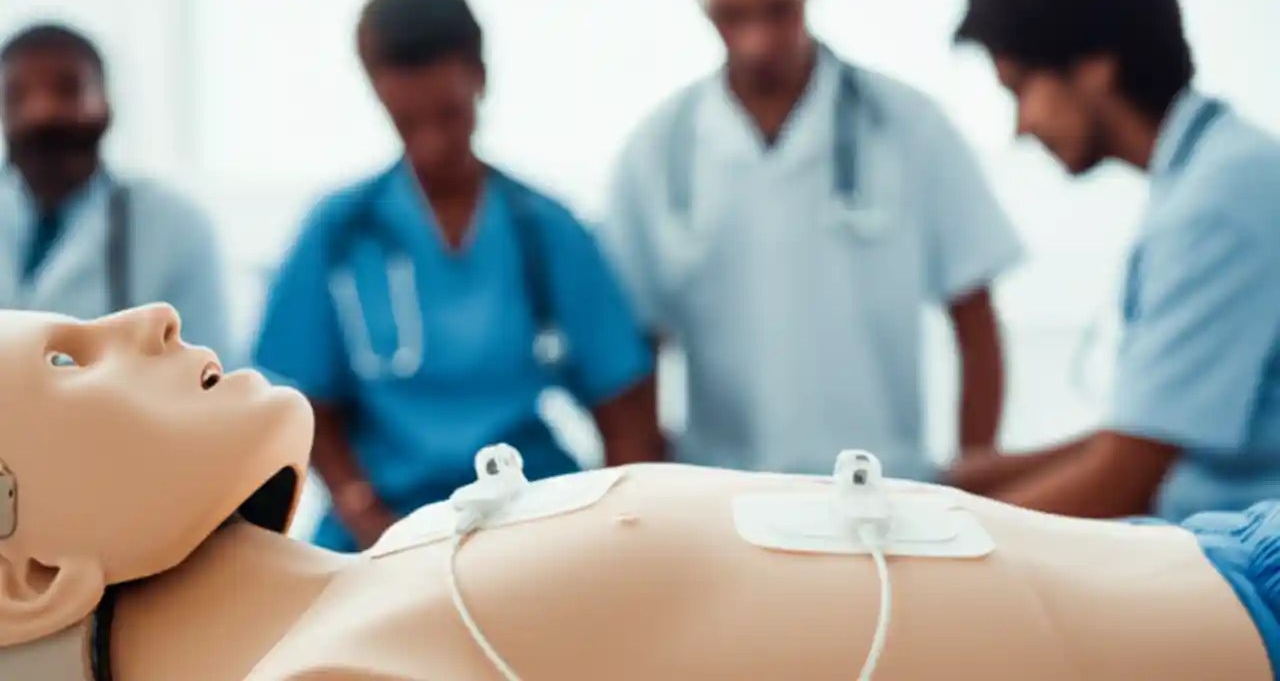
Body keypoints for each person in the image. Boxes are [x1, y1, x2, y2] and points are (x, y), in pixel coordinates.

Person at [0, 306, 1276, 680]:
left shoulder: (374, 587)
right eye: (66, 362)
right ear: (28, 576)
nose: (145, 316)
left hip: (1204, 555)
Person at [253, 0, 662, 553]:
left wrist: (614, 531)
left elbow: (624, 402)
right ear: (377, 92)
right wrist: (368, 517)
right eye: (407, 120)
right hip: (378, 536)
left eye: (449, 114)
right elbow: (304, 401)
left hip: (528, 527)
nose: (432, 143)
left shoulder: (545, 230)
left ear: (480, 76)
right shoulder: (338, 233)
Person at [601, 0, 1024, 481]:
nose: (757, 42)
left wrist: (969, 493)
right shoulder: (655, 153)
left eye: (780, 9)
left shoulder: (910, 127)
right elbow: (627, 367)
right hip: (720, 502)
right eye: (729, 15)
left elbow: (976, 325)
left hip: (883, 495)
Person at [945, 0, 1280, 521]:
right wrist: (961, 481)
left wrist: (931, 537)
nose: (1019, 126)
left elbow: (1121, 481)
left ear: (1095, 67)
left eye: (1020, 88)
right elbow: (1153, 434)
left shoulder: (1222, 200)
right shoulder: (1215, 171)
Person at [0, 24, 230, 355]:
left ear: (106, 104)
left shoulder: (178, 228)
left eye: (68, 90)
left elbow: (211, 382)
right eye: (17, 95)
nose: (42, 111)